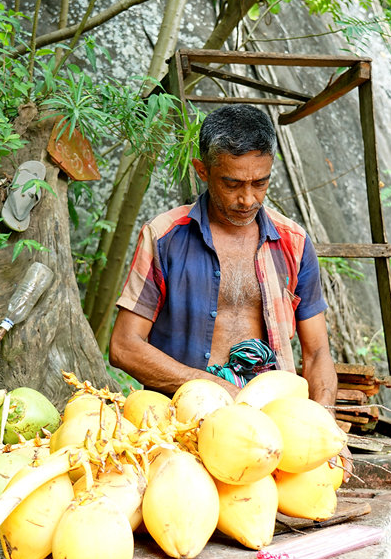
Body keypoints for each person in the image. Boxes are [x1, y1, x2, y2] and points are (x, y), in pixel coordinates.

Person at [109, 104, 338, 409]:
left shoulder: (293, 242)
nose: (247, 199)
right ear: (202, 170)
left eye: (260, 183)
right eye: (232, 184)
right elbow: (124, 346)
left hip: (269, 416)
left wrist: (323, 412)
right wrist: (212, 386)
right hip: (181, 413)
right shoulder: (163, 237)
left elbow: (317, 352)